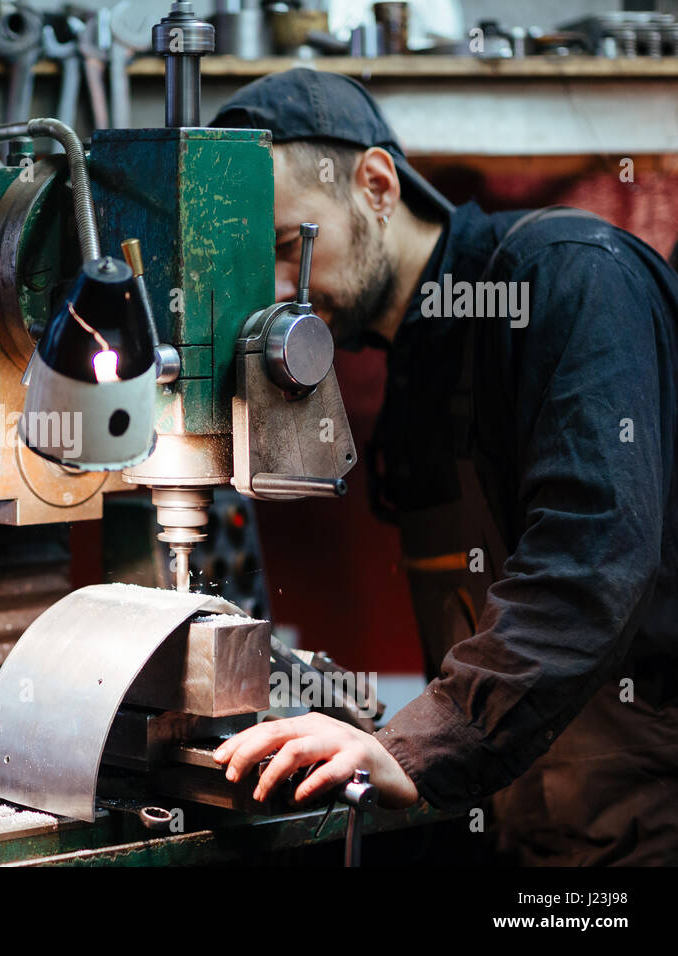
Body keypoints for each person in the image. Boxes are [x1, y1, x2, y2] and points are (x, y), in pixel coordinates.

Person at [207, 68, 678, 865]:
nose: (282, 290)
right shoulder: (421, 362)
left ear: (377, 184)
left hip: (644, 818)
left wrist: (427, 744)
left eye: (291, 246)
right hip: (520, 810)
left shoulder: (566, 277)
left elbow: (592, 560)